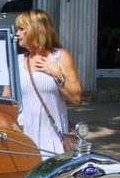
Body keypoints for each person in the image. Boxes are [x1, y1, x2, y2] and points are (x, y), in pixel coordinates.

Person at [14, 9, 82, 155]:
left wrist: (57, 74)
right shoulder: (16, 62)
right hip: (25, 140)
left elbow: (76, 97)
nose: (17, 33)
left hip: (54, 140)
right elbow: (7, 100)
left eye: (21, 29)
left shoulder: (60, 56)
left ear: (35, 30)